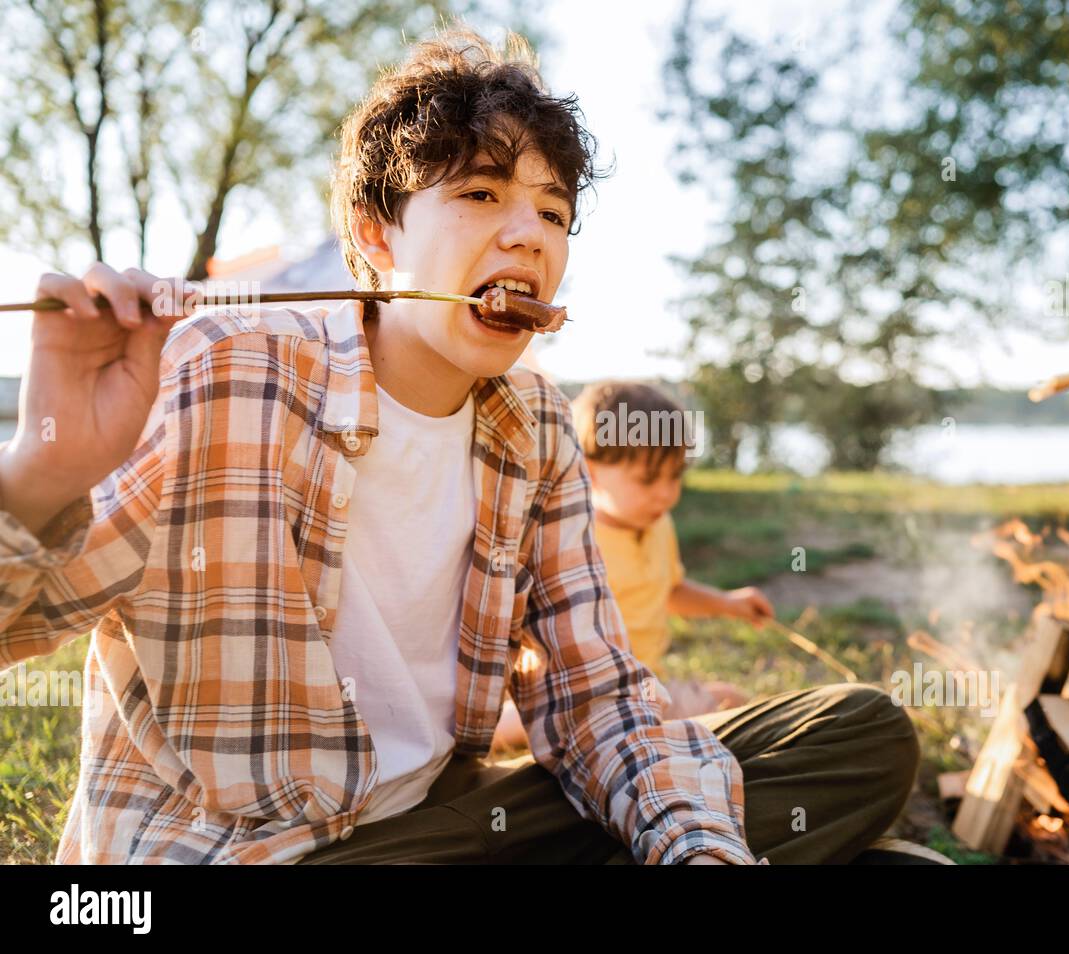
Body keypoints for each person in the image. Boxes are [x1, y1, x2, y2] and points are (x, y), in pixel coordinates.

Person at [0, 27, 919, 865]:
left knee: (860, 732)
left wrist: (700, 851)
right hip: (254, 851)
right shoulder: (231, 371)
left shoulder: (536, 426)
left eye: (554, 214)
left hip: (445, 828)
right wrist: (45, 475)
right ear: (376, 233)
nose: (529, 234)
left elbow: (593, 700)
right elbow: (23, 626)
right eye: (480, 194)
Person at [491, 380, 770, 753]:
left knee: (732, 701)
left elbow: (669, 590)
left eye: (675, 477)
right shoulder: (569, 532)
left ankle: (635, 733)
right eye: (648, 479)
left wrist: (727, 602)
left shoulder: (658, 525)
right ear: (589, 471)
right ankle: (497, 733)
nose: (666, 493)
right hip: (574, 691)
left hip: (644, 688)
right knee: (526, 723)